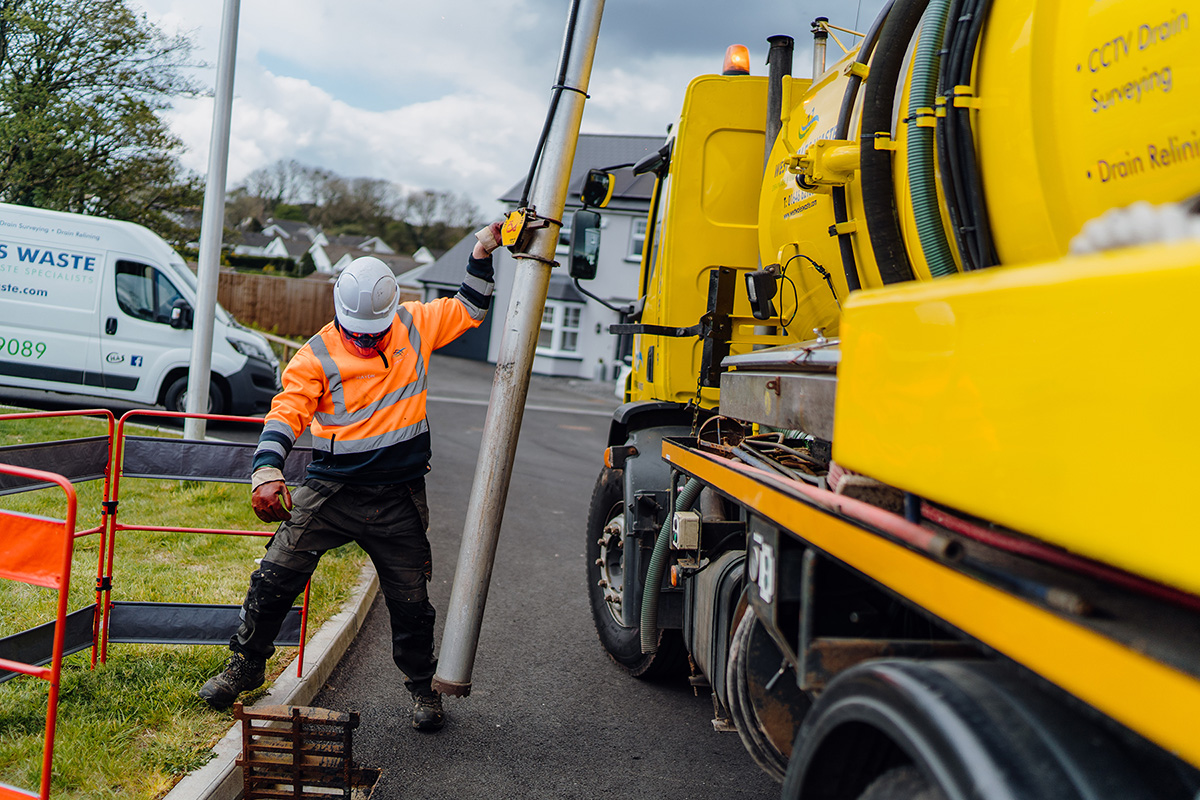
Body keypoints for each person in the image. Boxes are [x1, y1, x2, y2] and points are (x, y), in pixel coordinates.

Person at [199, 222, 504, 732]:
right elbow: (285, 414)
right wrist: (266, 470)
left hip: (399, 497)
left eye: (374, 332)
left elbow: (471, 307)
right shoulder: (314, 356)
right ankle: (245, 666)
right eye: (355, 332)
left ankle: (422, 690)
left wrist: (481, 249)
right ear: (340, 314)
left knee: (411, 604)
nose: (364, 340)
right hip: (331, 490)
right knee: (273, 576)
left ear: (390, 315)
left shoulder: (415, 323)